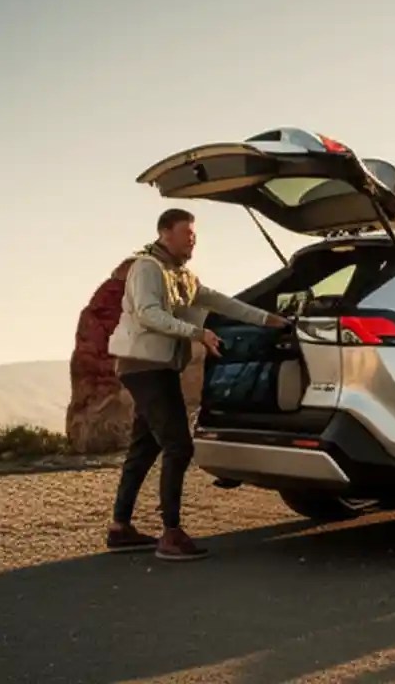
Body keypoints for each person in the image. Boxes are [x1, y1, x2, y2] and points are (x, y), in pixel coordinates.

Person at [105, 208, 287, 561]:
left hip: (157, 367)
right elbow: (147, 313)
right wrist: (196, 333)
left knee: (145, 447)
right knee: (179, 446)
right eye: (187, 233)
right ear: (164, 234)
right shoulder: (147, 267)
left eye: (194, 234)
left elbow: (219, 301)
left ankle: (120, 528)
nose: (193, 240)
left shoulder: (181, 275)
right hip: (146, 366)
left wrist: (267, 319)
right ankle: (171, 534)